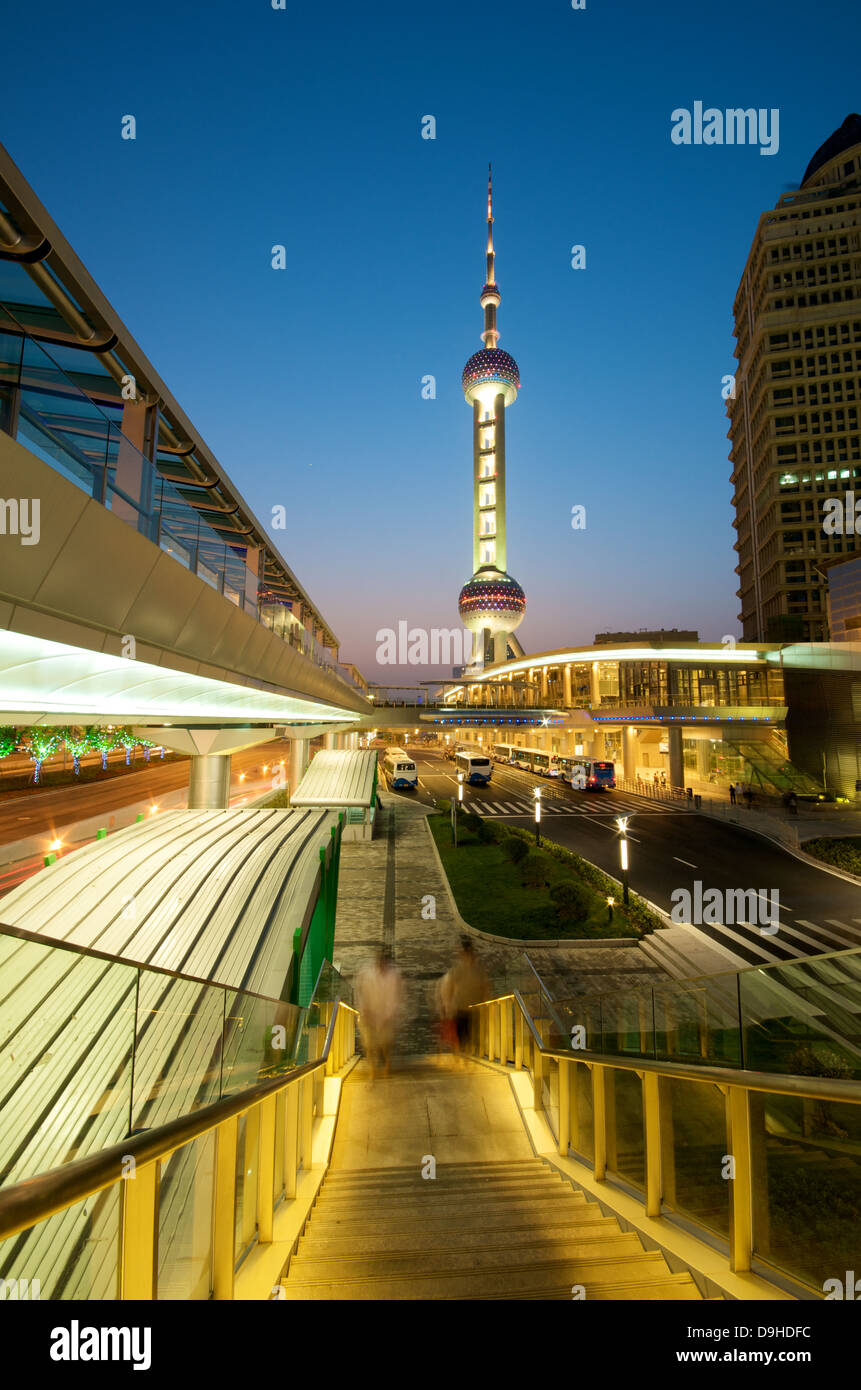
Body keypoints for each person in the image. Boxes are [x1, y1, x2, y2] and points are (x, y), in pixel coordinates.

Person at [354, 947, 406, 1079]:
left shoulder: (394, 976)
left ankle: (387, 1065)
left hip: (386, 1016)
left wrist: (388, 1016)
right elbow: (360, 992)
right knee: (370, 1045)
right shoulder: (366, 973)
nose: (382, 964)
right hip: (369, 1014)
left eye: (384, 961)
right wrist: (363, 1009)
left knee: (385, 1044)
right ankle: (372, 1072)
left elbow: (395, 997)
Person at [446, 938, 490, 1058]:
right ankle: (463, 1056)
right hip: (461, 1007)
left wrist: (486, 1003)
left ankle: (467, 1057)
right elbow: (450, 987)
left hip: (474, 1009)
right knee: (463, 1035)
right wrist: (449, 1004)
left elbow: (485, 987)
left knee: (472, 1035)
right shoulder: (458, 970)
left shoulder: (478, 971)